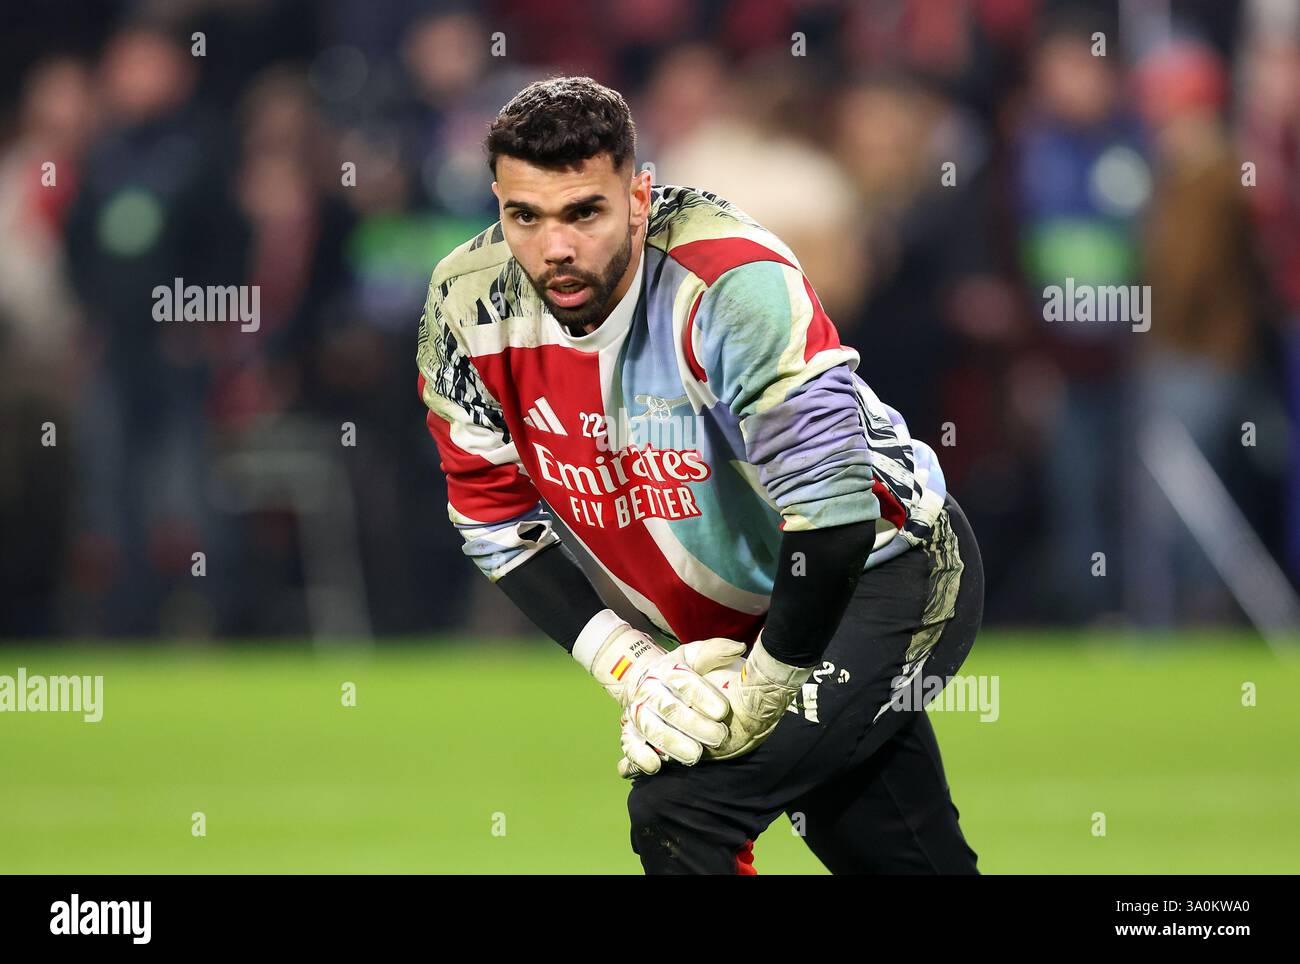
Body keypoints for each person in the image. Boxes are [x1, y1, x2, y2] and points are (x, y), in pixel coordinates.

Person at [416, 76, 983, 874]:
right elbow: (494, 524)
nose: (555, 248)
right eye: (524, 216)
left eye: (585, 211)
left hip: (878, 571)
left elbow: (835, 513)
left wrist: (766, 685)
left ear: (640, 197)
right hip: (735, 614)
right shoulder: (466, 304)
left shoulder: (729, 282)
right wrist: (632, 665)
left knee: (684, 806)